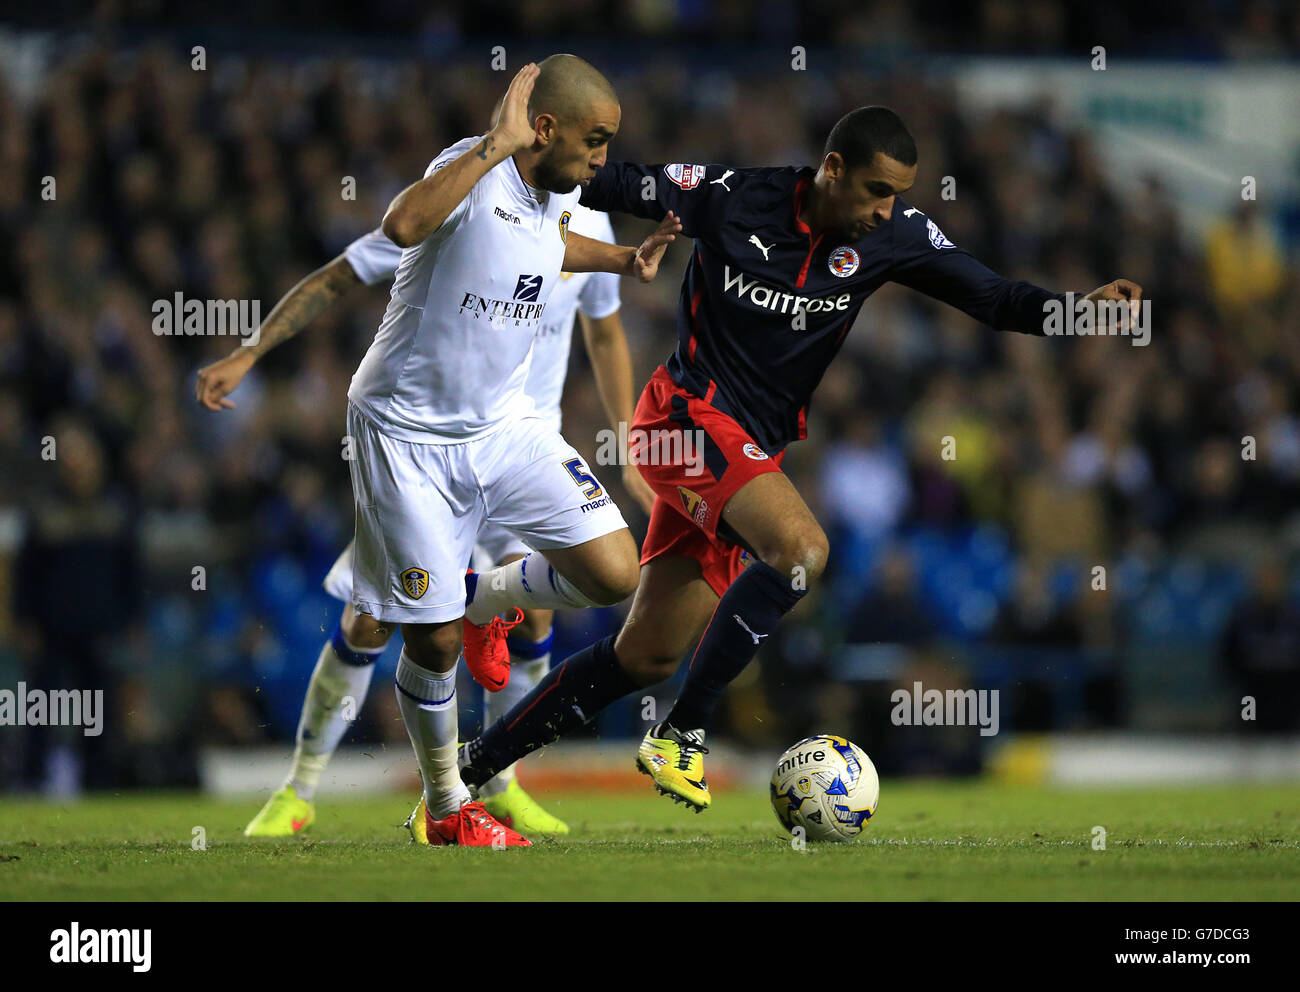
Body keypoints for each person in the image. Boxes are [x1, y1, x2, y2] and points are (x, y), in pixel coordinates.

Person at [456, 105, 1143, 816]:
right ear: (833, 169)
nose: (886, 210)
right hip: (681, 419)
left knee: (647, 656)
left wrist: (1076, 311)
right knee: (800, 550)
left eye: (897, 194)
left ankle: (468, 769)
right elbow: (609, 181)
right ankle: (682, 731)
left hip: (745, 452)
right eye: (876, 190)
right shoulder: (731, 196)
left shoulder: (895, 237)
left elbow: (995, 298)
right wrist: (506, 166)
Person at [196, 194, 655, 838]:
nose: (597, 164)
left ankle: (500, 785)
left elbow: (603, 332)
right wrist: (251, 350)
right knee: (371, 620)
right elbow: (341, 274)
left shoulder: (596, 224)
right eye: (591, 142)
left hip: (521, 445)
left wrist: (627, 444)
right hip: (425, 448)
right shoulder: (464, 207)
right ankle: (298, 789)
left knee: (540, 612)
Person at [337, 55, 676, 846]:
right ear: (544, 128)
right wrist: (492, 143)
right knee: (436, 640)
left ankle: (483, 597)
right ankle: (449, 807)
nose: (602, 159)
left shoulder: (550, 203)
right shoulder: (472, 167)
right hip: (404, 436)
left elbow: (543, 247)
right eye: (594, 141)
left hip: (503, 429)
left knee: (613, 571)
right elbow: (402, 228)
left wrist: (623, 259)